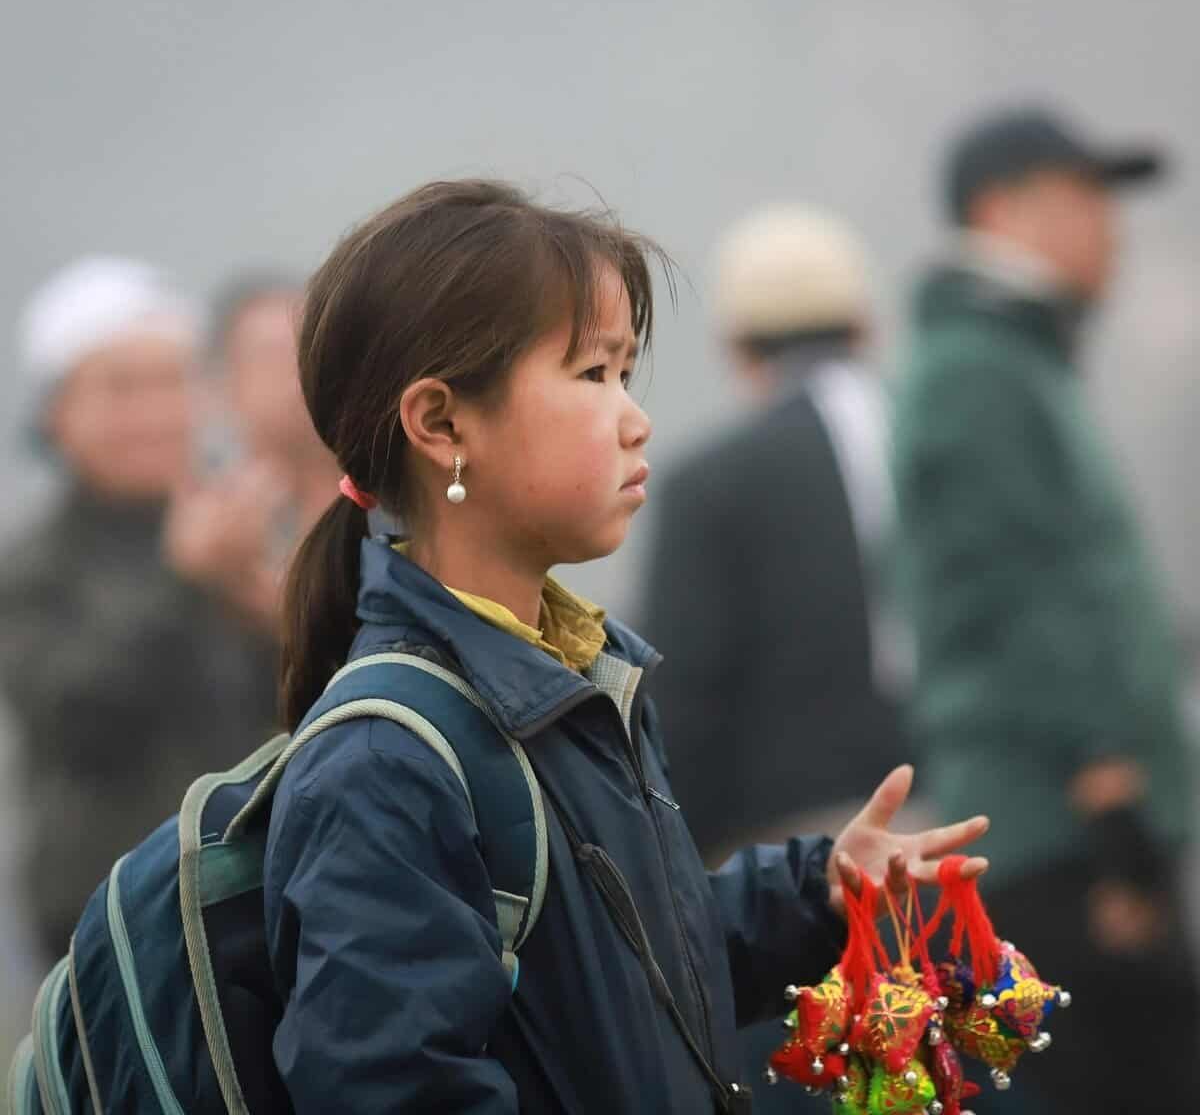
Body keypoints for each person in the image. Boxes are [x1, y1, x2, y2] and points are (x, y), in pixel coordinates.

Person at [262, 179, 989, 1112]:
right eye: (592, 375)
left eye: (627, 374)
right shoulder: (386, 760)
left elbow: (622, 974)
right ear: (442, 424)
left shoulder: (572, 685)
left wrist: (817, 889)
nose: (634, 418)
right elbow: (396, 1088)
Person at [892, 108, 1199, 1111]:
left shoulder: (1017, 360)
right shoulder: (975, 372)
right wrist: (1112, 801)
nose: (1110, 227)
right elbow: (1024, 599)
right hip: (1057, 833)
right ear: (1000, 211)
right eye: (1085, 198)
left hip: (1077, 822)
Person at [640, 206, 912, 1114]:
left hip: (793, 894)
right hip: (963, 868)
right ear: (867, 327)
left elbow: (686, 710)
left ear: (736, 348)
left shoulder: (711, 482)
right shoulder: (939, 444)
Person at [0, 257, 277, 962]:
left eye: (172, 385)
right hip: (108, 921)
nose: (154, 415)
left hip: (258, 893)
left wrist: (281, 616)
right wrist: (181, 580)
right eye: (122, 390)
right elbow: (74, 716)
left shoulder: (251, 521)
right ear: (55, 414)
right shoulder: (36, 567)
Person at [164, 274, 339, 634]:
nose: (300, 371)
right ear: (220, 386)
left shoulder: (405, 500)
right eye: (273, 356)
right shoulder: (196, 519)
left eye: (315, 346)